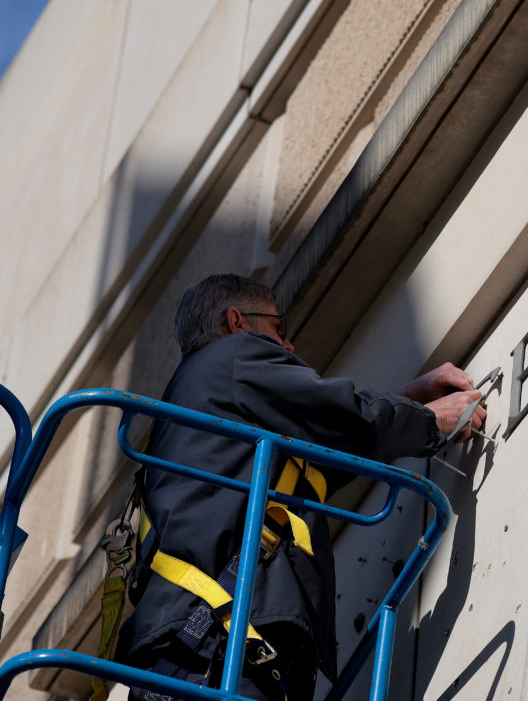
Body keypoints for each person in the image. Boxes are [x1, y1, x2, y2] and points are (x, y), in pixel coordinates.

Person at [116, 274, 484, 701]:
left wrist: (412, 400)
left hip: (194, 647)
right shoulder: (234, 354)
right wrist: (431, 421)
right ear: (236, 321)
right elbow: (341, 415)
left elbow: (321, 456)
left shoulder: (195, 406)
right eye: (279, 327)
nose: (288, 345)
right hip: (218, 644)